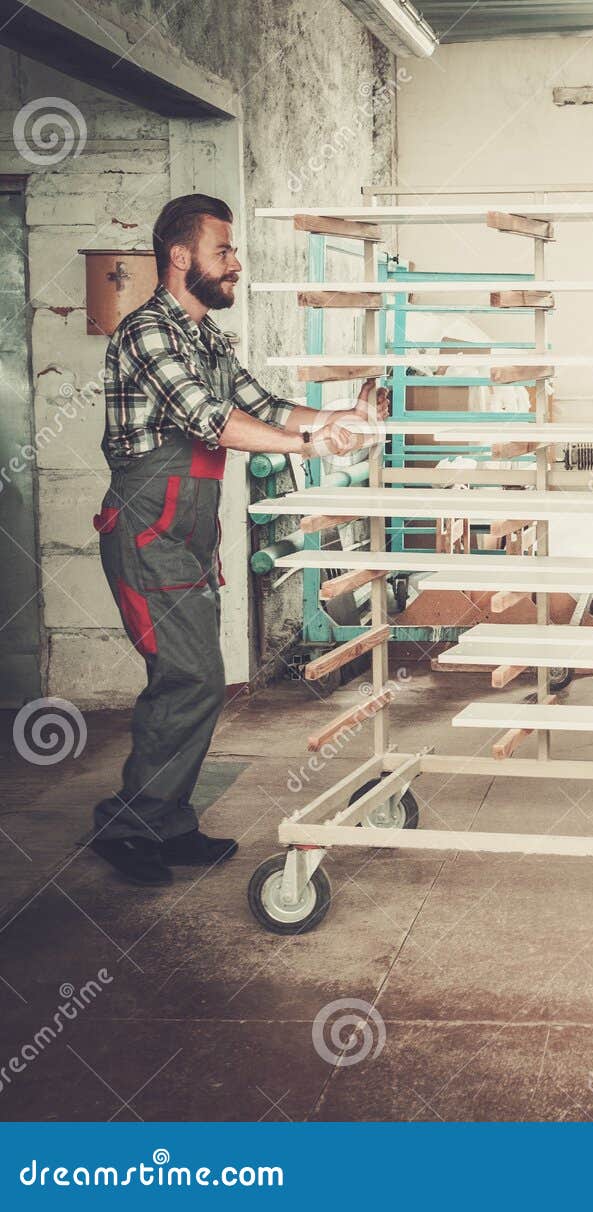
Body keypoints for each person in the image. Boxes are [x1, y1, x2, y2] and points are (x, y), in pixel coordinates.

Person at [89, 192, 385, 886]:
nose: (236, 263)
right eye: (223, 251)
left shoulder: (209, 339)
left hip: (185, 533)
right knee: (189, 677)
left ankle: (163, 821)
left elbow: (265, 405)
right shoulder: (147, 333)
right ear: (180, 256)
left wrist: (335, 419)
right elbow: (212, 421)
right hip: (145, 533)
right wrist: (304, 444)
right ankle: (132, 824)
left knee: (192, 679)